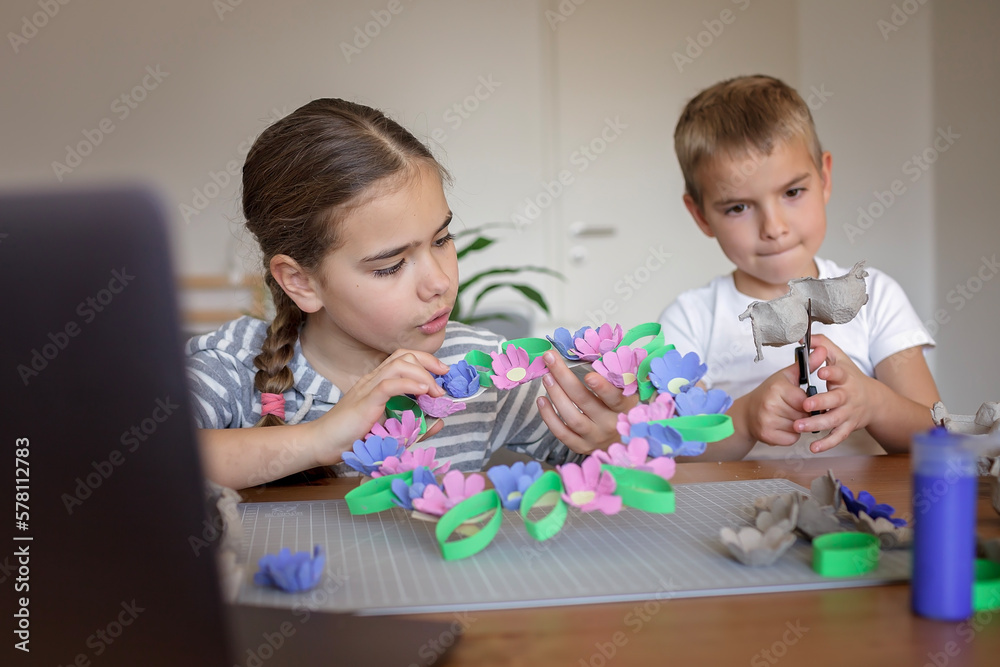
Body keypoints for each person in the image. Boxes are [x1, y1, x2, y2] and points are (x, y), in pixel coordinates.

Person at [186, 98, 631, 489]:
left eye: (442, 240)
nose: (439, 282)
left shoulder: (478, 370)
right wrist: (320, 438)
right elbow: (135, 465)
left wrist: (611, 435)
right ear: (301, 281)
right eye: (391, 265)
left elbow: (614, 461)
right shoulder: (233, 364)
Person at [659, 75, 939, 460]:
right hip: (729, 519)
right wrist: (743, 420)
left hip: (858, 517)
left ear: (824, 179)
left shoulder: (876, 298)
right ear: (701, 215)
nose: (774, 228)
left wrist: (874, 404)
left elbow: (936, 437)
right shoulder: (691, 319)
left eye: (792, 192)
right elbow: (671, 448)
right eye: (738, 207)